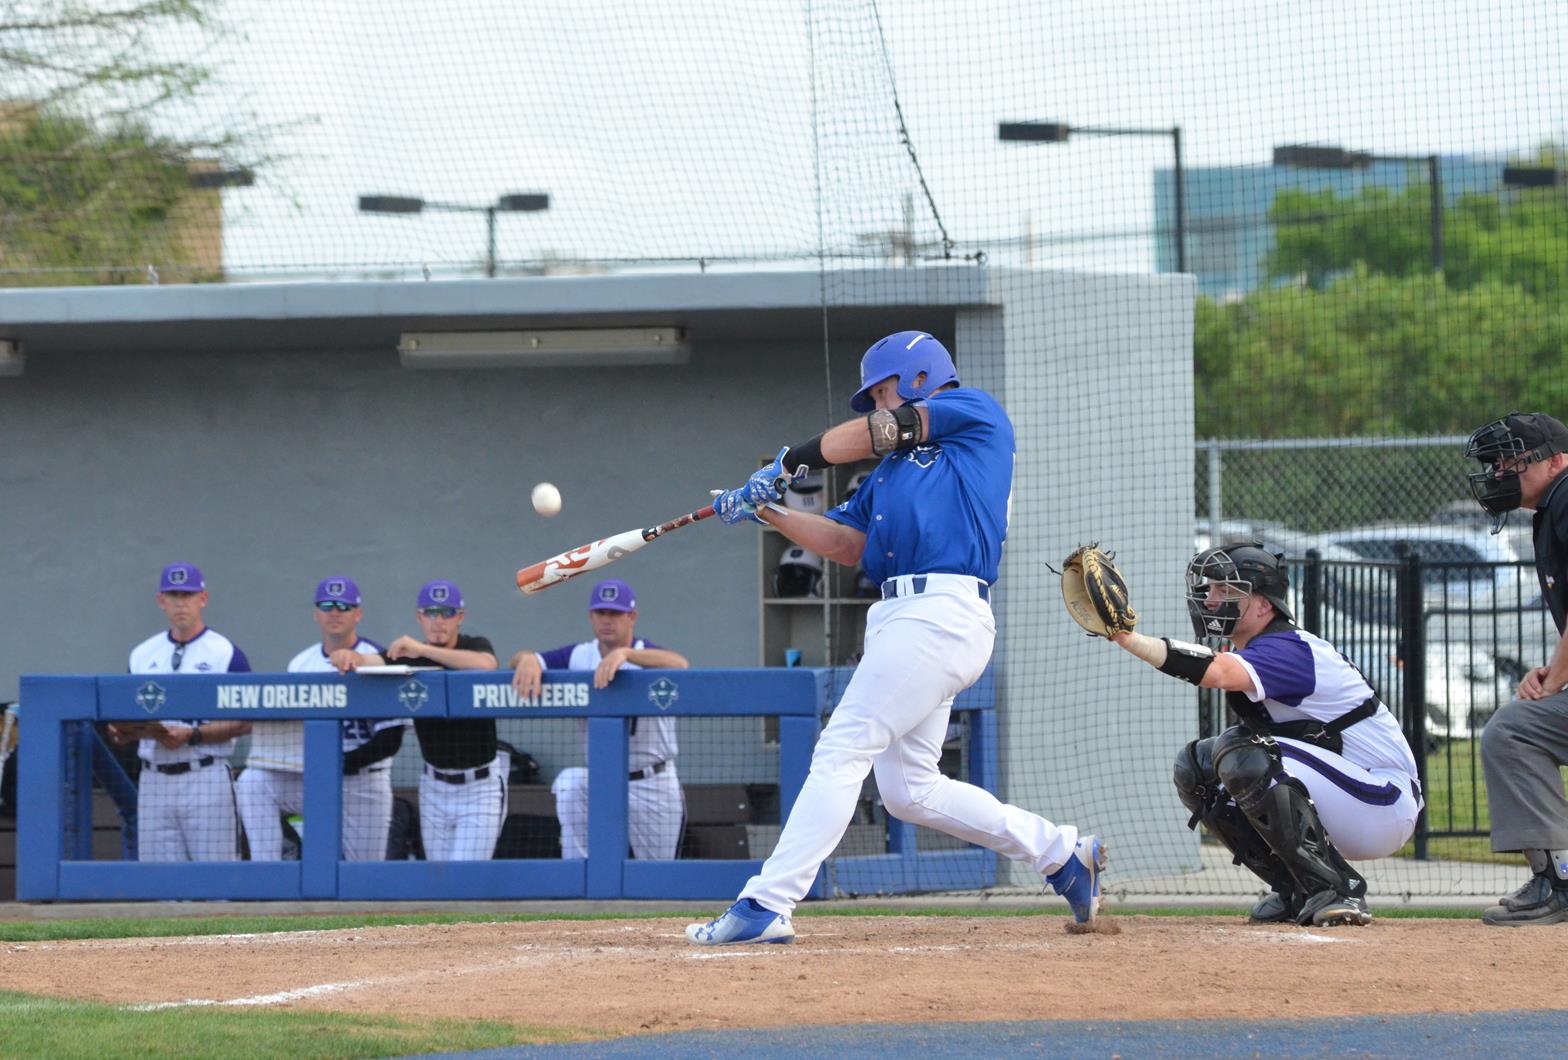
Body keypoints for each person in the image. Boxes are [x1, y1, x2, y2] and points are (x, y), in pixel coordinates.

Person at [685, 330, 1104, 946]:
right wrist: (765, 511)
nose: (877, 406)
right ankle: (1063, 854)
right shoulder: (890, 476)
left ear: (917, 379)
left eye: (881, 391)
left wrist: (786, 464)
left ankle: (766, 904)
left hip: (942, 611)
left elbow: (878, 432)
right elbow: (846, 543)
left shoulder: (975, 414)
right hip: (898, 620)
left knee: (841, 749)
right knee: (910, 791)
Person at [1105, 542, 1420, 927]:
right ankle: (1297, 889)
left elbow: (1217, 672)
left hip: (1382, 802)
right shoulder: (1260, 647)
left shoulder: (1289, 649)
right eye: (1212, 588)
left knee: (1240, 750)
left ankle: (1338, 889)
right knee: (1196, 766)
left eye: (1228, 590)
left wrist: (1129, 639)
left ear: (1263, 605)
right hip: (1351, 795)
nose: (1212, 598)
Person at [1465, 411, 1568, 926]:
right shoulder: (1561, 503)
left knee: (1515, 730)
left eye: (1507, 461)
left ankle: (1563, 883)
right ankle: (1561, 879)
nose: (1497, 473)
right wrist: (1551, 674)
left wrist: (1555, 682)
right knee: (1521, 728)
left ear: (1553, 458)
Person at [508, 578, 688, 860]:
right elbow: (518, 659)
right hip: (602, 777)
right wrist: (528, 658)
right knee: (570, 782)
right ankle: (577, 876)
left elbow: (680, 664)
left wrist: (626, 654)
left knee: (659, 876)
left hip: (652, 779)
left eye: (615, 613)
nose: (607, 620)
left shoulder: (646, 652)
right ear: (591, 616)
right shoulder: (580, 655)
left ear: (632, 617)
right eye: (601, 613)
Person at [237, 576, 399, 861]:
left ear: (357, 614)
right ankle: (268, 873)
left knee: (363, 879)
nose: (334, 612)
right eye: (326, 606)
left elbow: (391, 740)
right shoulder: (300, 663)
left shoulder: (376, 658)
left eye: (343, 605)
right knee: (253, 781)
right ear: (316, 614)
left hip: (363, 782)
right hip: (312, 777)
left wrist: (337, 763)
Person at [341, 579, 504, 861]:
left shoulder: (473, 645)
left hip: (480, 787)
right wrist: (349, 655)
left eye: (447, 613)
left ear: (460, 617)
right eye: (430, 613)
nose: (438, 621)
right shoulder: (408, 655)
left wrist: (423, 650)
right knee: (439, 884)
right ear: (419, 617)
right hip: (434, 786)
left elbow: (487, 665)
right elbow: (369, 661)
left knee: (464, 876)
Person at [109, 563, 252, 861]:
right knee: (159, 883)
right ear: (162, 601)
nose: (180, 603)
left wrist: (194, 735)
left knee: (217, 879)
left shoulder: (225, 652)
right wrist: (122, 732)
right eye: (173, 595)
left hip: (205, 772)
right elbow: (126, 711)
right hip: (154, 777)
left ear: (203, 598)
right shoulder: (142, 653)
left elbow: (245, 720)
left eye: (187, 595)